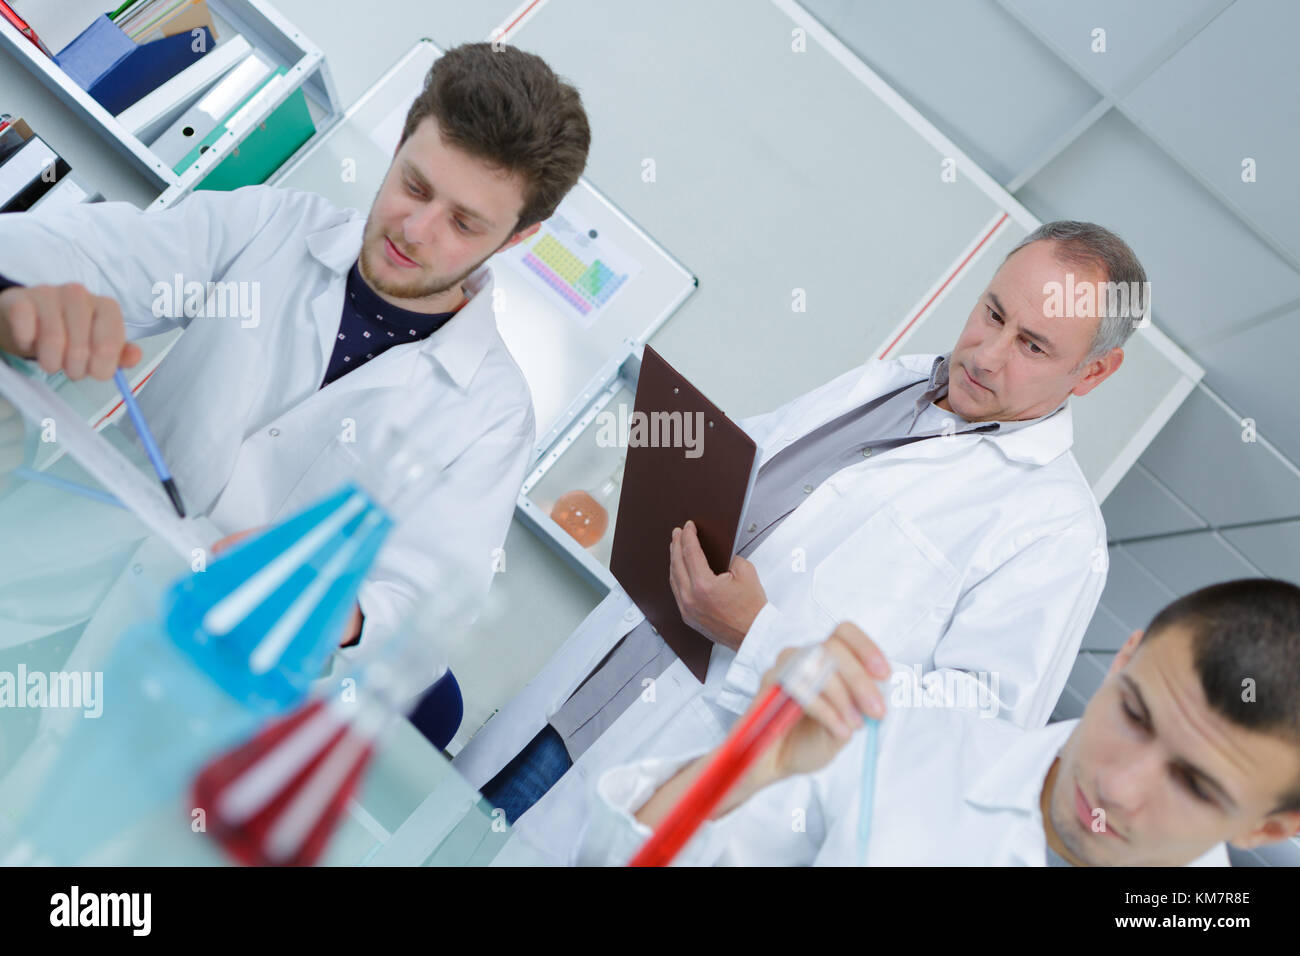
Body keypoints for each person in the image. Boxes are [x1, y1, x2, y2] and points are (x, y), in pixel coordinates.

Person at [462, 220, 1143, 851]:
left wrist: (758, 633)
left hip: (678, 784)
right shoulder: (890, 382)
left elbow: (967, 739)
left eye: (1031, 346)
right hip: (571, 709)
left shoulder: (1055, 531)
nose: (988, 355)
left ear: (1093, 373)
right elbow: (746, 490)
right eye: (994, 313)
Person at [0, 43, 590, 735]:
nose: (416, 229)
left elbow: (425, 621)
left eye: (464, 224)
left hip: (182, 701)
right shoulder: (273, 227)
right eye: (416, 186)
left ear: (519, 238)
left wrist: (342, 615)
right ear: (400, 141)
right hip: (34, 586)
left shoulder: (492, 415)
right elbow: (82, 252)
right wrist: (30, 301)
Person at [579, 578, 1300, 866]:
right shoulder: (902, 741)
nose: (1116, 785)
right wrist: (748, 762)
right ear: (1123, 662)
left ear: (1267, 829)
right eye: (1136, 715)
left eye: (1195, 785)